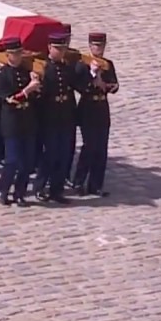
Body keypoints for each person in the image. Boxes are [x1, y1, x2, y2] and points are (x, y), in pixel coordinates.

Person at [0, 38, 41, 207]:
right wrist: (28, 89)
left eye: (20, 53)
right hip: (12, 122)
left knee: (27, 162)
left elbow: (37, 96)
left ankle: (20, 192)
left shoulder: (26, 72)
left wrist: (36, 84)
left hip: (27, 121)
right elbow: (10, 99)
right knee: (12, 160)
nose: (18, 56)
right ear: (8, 55)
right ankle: (3, 189)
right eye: (14, 53)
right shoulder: (1, 75)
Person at [72, 32, 117, 197]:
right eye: (96, 45)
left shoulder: (107, 64)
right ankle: (78, 182)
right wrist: (92, 75)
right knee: (89, 147)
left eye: (101, 45)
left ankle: (96, 185)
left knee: (101, 149)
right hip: (88, 109)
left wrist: (106, 85)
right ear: (90, 46)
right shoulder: (82, 64)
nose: (99, 49)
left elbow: (114, 85)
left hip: (102, 109)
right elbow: (79, 86)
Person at [37, 32, 76, 204]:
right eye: (57, 49)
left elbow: (75, 84)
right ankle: (40, 187)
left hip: (65, 116)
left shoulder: (66, 67)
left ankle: (56, 189)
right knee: (50, 155)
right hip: (50, 117)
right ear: (49, 48)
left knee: (63, 155)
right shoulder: (44, 68)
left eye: (62, 49)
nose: (60, 52)